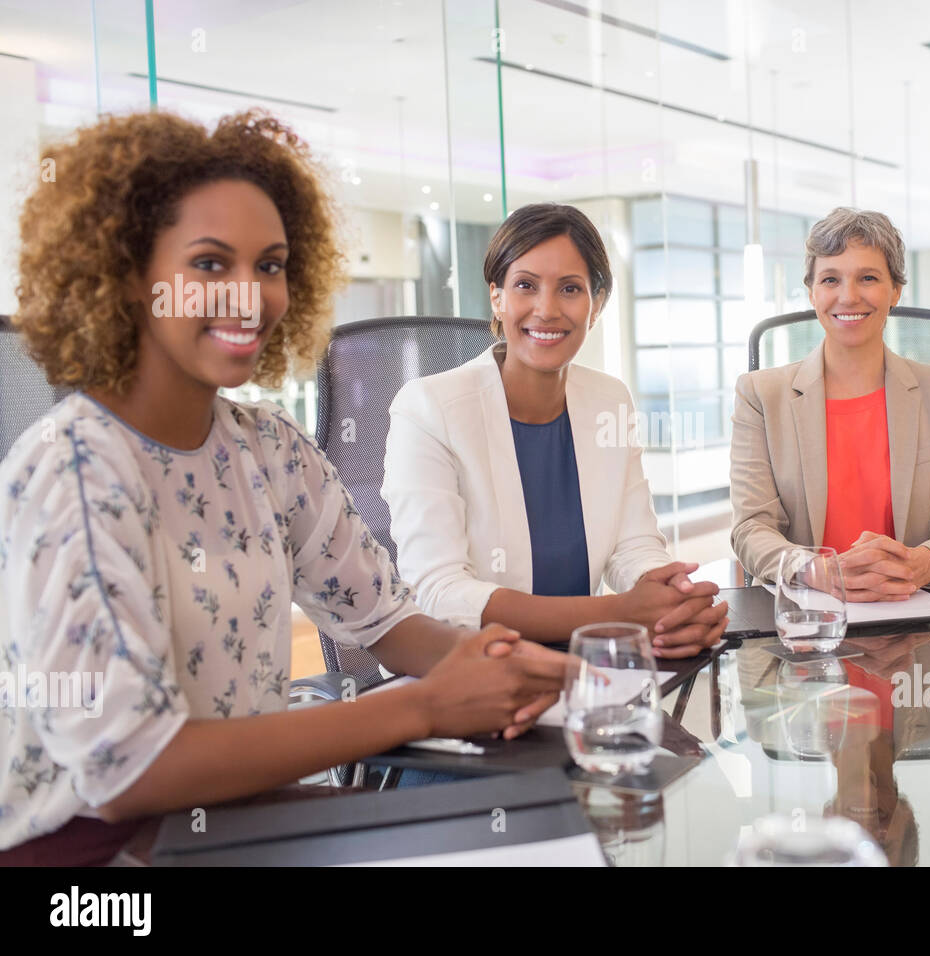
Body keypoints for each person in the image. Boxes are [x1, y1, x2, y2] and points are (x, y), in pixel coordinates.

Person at [0, 109, 565, 863]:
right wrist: (425, 706)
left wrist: (532, 670)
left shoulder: (266, 446)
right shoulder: (76, 470)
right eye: (209, 264)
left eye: (269, 265)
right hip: (91, 854)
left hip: (231, 820)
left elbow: (389, 622)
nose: (251, 294)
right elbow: (127, 772)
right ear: (128, 276)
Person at [382, 203, 727, 658]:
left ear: (596, 305)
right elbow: (440, 593)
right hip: (474, 673)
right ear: (497, 297)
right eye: (525, 285)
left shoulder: (609, 400)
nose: (546, 310)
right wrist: (619, 612)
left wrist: (671, 598)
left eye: (570, 288)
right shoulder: (428, 408)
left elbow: (634, 545)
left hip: (586, 666)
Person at [730, 206, 930, 600]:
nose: (848, 296)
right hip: (807, 626)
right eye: (831, 279)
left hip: (913, 617)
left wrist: (917, 564)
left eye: (868, 278)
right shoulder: (760, 396)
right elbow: (750, 529)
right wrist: (816, 570)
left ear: (895, 290)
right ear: (813, 292)